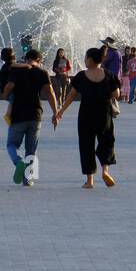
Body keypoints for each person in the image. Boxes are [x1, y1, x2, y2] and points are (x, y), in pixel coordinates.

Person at [57, 46, 120, 189]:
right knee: (106, 141)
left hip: (86, 115)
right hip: (104, 114)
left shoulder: (81, 76)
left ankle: (90, 180)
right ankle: (105, 171)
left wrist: (61, 111)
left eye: (85, 58)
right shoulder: (109, 75)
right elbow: (116, 94)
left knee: (86, 145)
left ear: (90, 60)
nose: (84, 60)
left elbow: (71, 95)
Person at [3, 48, 57, 186]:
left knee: (12, 144)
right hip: (36, 115)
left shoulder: (17, 71)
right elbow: (50, 93)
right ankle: (28, 179)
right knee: (31, 149)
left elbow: (9, 86)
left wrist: (4, 95)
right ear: (39, 60)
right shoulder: (43, 72)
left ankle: (18, 161)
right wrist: (55, 113)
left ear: (26, 58)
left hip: (18, 114)